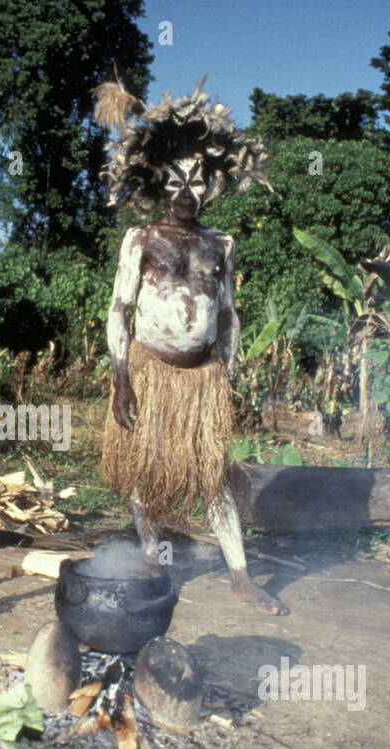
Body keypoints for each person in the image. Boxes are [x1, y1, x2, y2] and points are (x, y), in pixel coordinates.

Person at [94, 78, 286, 615]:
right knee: (145, 472)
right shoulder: (141, 238)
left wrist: (226, 373)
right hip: (148, 371)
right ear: (160, 184)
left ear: (210, 187)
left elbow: (227, 313)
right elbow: (119, 311)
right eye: (176, 181)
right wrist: (121, 381)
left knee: (212, 475)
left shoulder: (220, 244)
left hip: (202, 379)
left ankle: (241, 576)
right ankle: (156, 565)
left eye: (196, 183)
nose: (186, 193)